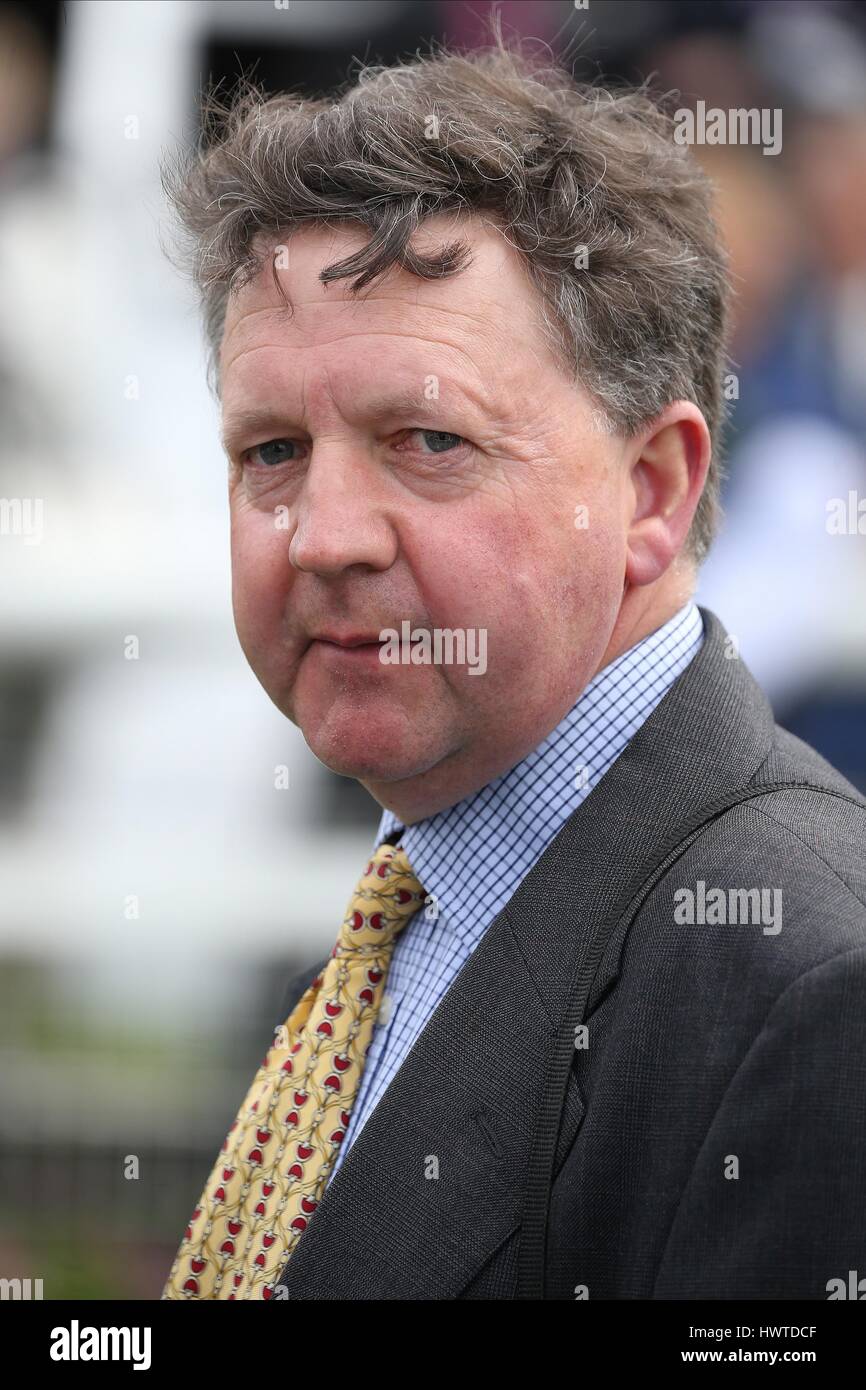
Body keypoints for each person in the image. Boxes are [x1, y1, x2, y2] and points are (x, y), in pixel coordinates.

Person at [159, 35, 866, 1300]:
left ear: (652, 490)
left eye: (426, 440)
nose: (322, 536)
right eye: (271, 452)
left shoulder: (806, 990)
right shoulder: (414, 909)